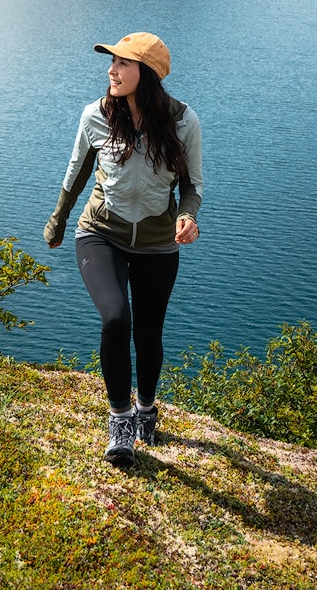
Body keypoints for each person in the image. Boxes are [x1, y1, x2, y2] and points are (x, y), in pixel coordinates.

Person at [44, 32, 203, 469]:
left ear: (146, 73)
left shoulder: (184, 121)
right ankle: (120, 420)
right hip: (100, 233)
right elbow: (76, 171)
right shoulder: (95, 114)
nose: (111, 71)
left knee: (148, 333)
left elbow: (192, 185)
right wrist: (58, 219)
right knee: (116, 317)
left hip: (157, 245)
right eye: (111, 62)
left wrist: (187, 216)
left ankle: (147, 407)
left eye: (122, 64)